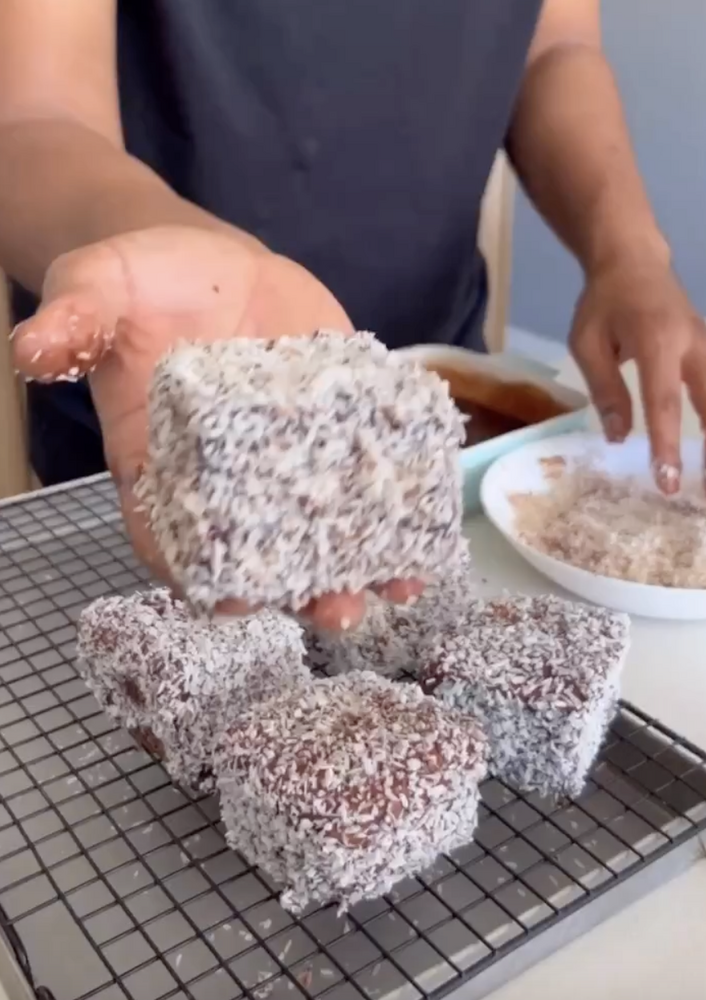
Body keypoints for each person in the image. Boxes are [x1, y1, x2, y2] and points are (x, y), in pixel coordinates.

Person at [1, 0, 704, 630]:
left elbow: (556, 45)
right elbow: (32, 116)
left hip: (441, 407)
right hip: (161, 410)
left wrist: (627, 247)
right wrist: (164, 245)